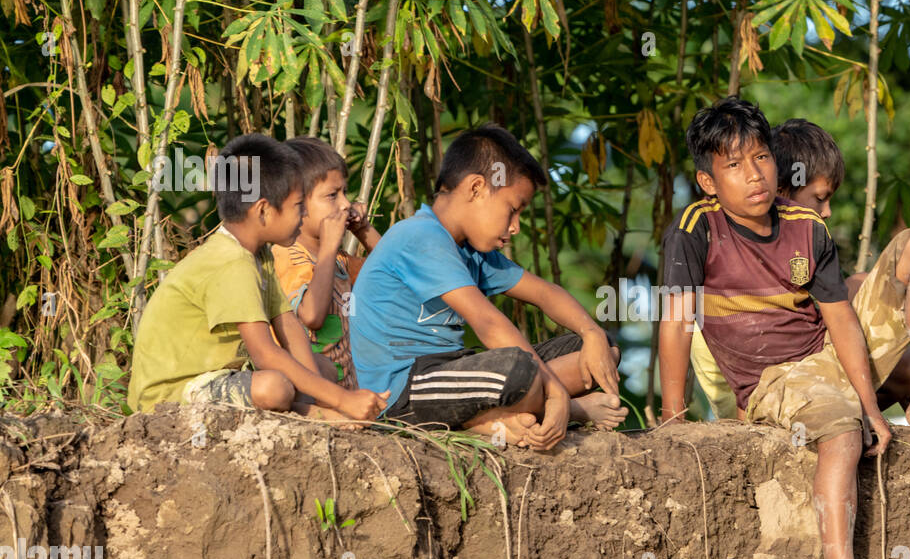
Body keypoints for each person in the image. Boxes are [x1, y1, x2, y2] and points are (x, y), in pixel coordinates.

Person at [660, 97, 910, 559]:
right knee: (841, 431)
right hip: (774, 379)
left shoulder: (807, 226)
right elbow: (677, 323)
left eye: (760, 158)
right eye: (733, 166)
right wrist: (672, 416)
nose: (753, 175)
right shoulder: (695, 229)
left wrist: (874, 406)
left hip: (826, 357)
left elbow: (843, 321)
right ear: (708, 181)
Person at [688, 117, 910, 466]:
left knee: (864, 294)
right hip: (780, 405)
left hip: (829, 381)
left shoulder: (804, 254)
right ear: (781, 193)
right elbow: (739, 403)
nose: (826, 212)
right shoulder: (730, 286)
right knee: (857, 292)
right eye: (819, 199)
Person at [349, 124, 626, 449]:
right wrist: (557, 394)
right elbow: (488, 322)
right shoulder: (421, 237)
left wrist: (591, 333)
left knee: (601, 351)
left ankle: (495, 418)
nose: (516, 226)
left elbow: (545, 293)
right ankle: (566, 409)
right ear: (477, 188)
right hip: (402, 392)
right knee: (518, 370)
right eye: (513, 209)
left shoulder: (472, 251)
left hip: (455, 371)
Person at [127, 134, 389, 423]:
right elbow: (266, 355)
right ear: (263, 210)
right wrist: (342, 401)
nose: (303, 216)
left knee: (322, 368)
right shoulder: (232, 262)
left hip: (219, 378)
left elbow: (290, 328)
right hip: (170, 395)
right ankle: (315, 416)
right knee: (274, 387)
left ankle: (318, 414)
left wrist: (332, 397)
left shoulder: (258, 255)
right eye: (297, 206)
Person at [272, 136, 378, 389]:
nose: (344, 204)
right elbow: (311, 316)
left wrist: (363, 230)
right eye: (332, 195)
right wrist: (330, 247)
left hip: (348, 392)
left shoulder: (339, 261)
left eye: (344, 193)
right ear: (296, 203)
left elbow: (391, 274)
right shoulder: (287, 255)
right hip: (311, 397)